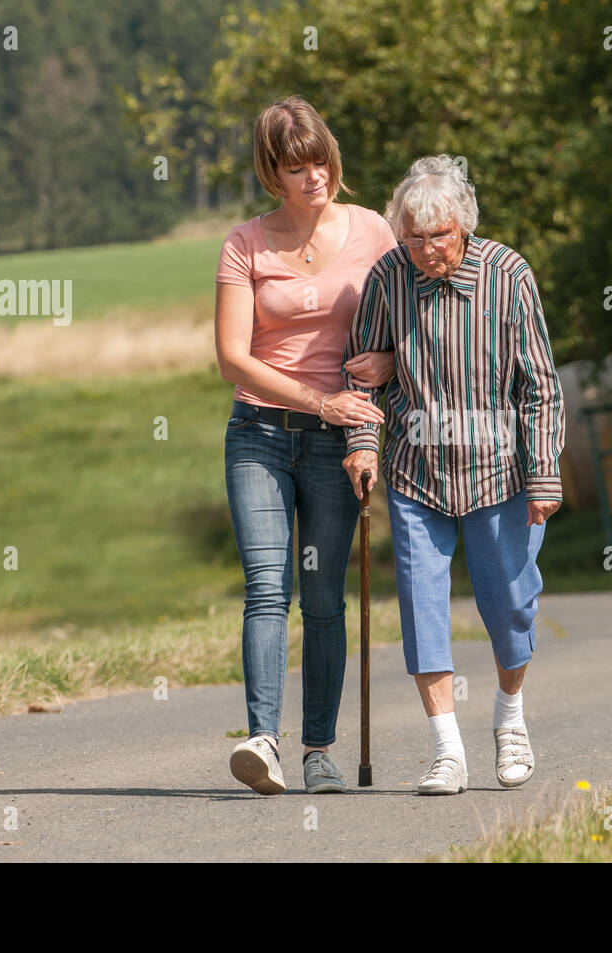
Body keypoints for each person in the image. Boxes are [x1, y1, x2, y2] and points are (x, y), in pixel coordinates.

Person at [340, 155, 565, 795]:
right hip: (418, 472)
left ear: (463, 226)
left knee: (512, 605)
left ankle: (510, 715)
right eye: (412, 239)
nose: (425, 251)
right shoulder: (388, 277)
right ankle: (446, 750)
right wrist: (362, 442)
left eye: (437, 238)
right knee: (421, 607)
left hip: (502, 470)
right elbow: (361, 374)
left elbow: (541, 385)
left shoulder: (508, 274)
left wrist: (544, 471)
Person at [215, 96, 398, 795]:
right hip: (258, 434)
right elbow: (234, 358)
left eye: (320, 158)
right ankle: (264, 740)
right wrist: (318, 397)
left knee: (324, 599)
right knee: (268, 588)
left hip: (337, 445)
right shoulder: (246, 243)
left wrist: (384, 367)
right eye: (297, 166)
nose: (314, 175)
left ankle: (319, 750)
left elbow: (398, 322)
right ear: (273, 173)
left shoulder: (374, 229)